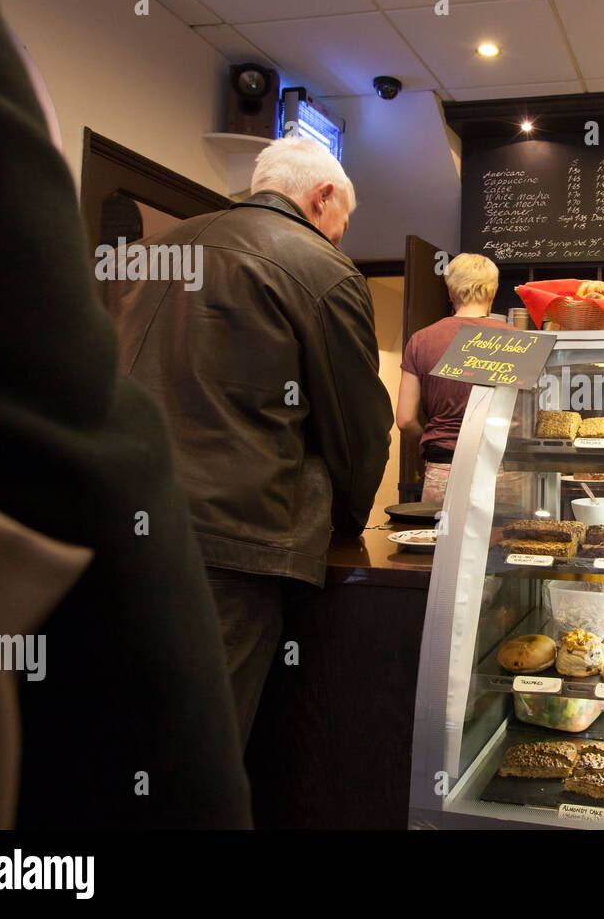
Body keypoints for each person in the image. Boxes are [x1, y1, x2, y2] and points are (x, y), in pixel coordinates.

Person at [0, 0, 250, 826]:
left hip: (199, 528)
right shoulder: (324, 272)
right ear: (329, 200)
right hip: (250, 544)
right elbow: (54, 424)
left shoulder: (178, 245)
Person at [101, 137, 394, 750]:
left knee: (104, 739)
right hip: (231, 549)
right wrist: (347, 521)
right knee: (197, 757)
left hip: (103, 526)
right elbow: (356, 426)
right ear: (323, 196)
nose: (339, 238)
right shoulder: (321, 267)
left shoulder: (135, 258)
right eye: (341, 224)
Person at [397, 254, 510, 502]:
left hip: (443, 465)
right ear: (492, 292)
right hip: (500, 469)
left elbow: (405, 420)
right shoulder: (515, 339)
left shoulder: (421, 340)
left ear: (451, 293)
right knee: (498, 540)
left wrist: (431, 437)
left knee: (441, 539)